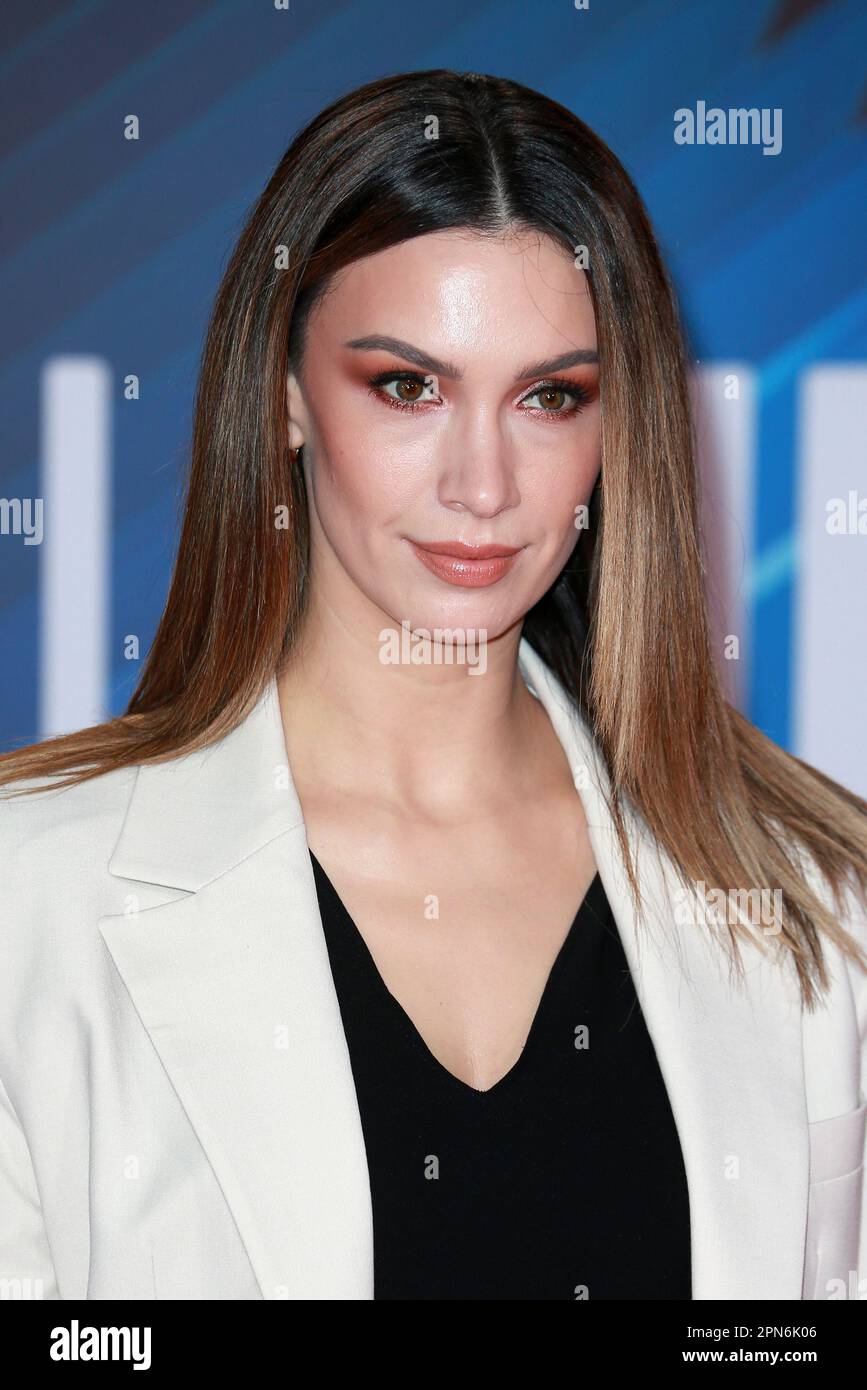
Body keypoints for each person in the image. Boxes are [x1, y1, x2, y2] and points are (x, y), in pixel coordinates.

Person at [1, 69, 865, 1302]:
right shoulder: (26, 901)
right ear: (288, 396)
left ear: (620, 432)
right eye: (409, 384)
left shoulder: (815, 901)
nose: (483, 483)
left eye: (550, 396)